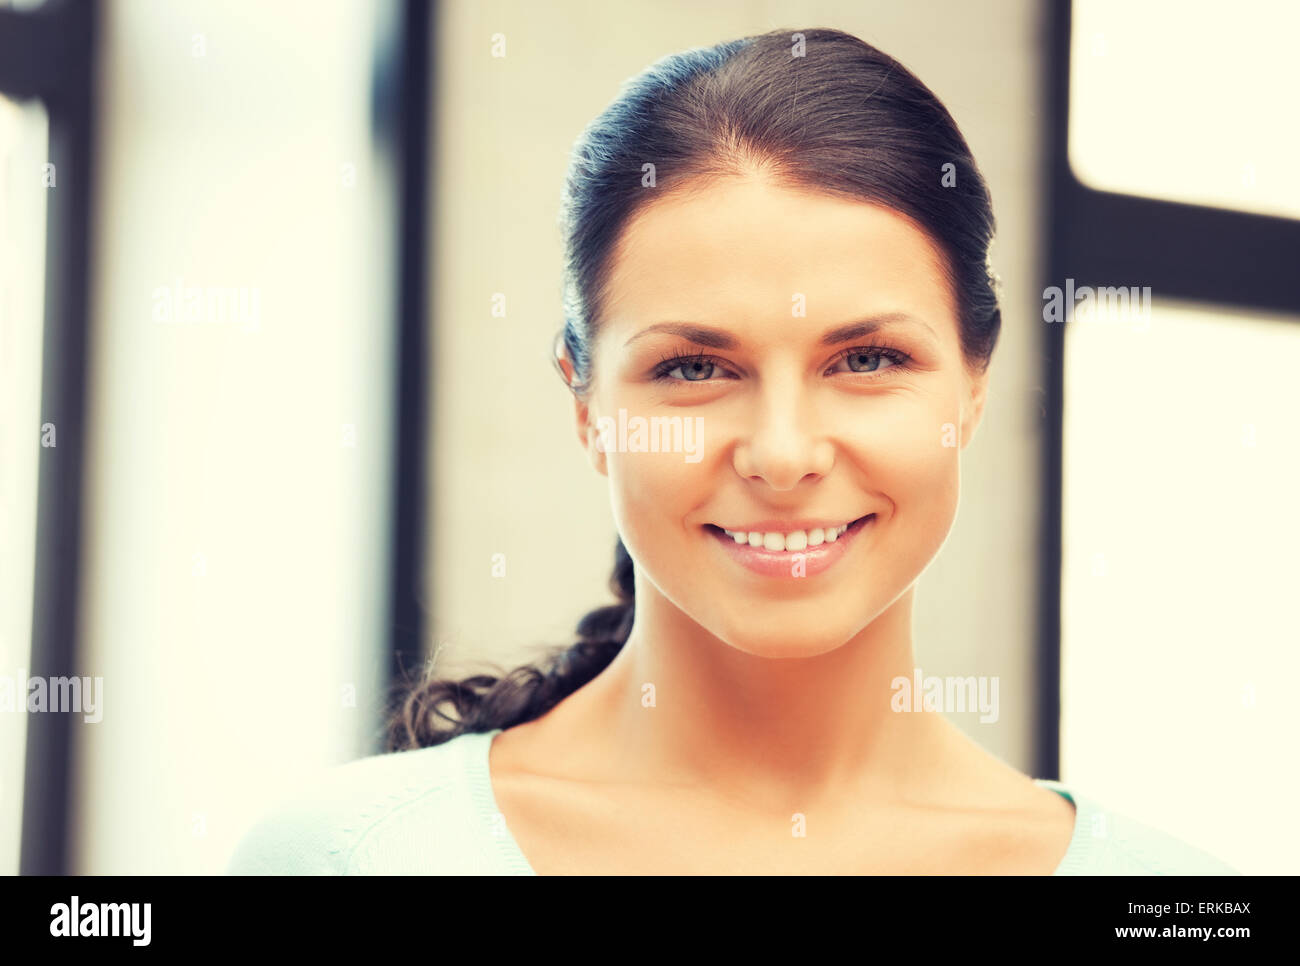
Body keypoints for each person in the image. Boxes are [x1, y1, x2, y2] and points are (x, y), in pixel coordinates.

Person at [227, 26, 1238, 875]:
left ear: (973, 383)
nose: (784, 454)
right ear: (583, 404)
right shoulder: (343, 858)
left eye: (868, 357)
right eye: (693, 370)